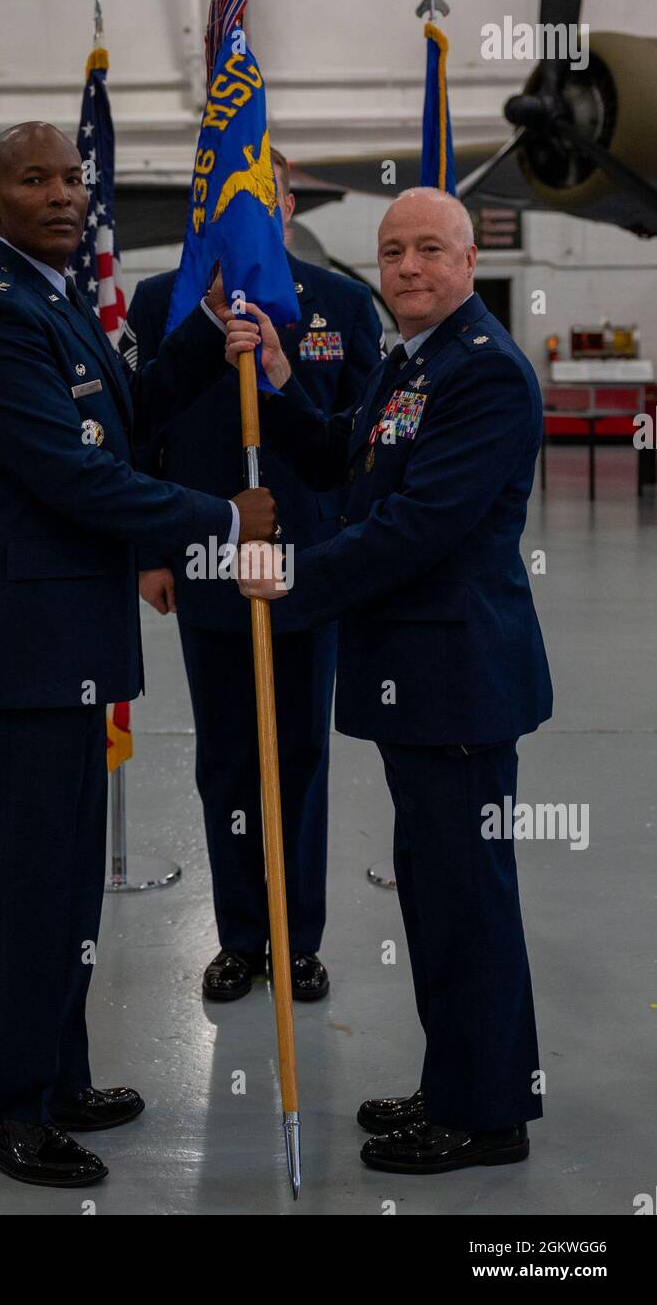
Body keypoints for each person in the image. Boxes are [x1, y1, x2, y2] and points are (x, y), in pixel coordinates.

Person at [0, 121, 277, 1189]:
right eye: (36, 180)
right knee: (30, 882)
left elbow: (112, 429)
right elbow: (74, 481)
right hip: (22, 645)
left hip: (70, 639)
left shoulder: (58, 298)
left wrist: (206, 338)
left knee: (68, 882)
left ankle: (56, 1078)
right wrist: (221, 514)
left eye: (74, 178)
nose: (66, 196)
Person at [229, 187, 553, 1174]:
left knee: (467, 898)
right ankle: (456, 1080)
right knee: (438, 889)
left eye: (428, 250)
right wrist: (283, 380)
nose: (407, 268)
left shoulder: (486, 375)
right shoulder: (417, 361)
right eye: (392, 252)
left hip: (458, 672)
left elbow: (419, 526)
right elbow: (349, 464)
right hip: (421, 674)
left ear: (466, 258)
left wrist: (292, 579)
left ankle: (486, 1114)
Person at [121, 148, 382, 1003]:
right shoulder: (163, 304)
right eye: (221, 203)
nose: (238, 219)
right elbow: (140, 438)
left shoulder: (341, 303)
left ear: (287, 203)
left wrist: (347, 554)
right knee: (228, 758)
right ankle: (239, 934)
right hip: (205, 562)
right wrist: (152, 553)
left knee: (300, 755)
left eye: (255, 200)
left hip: (309, 569)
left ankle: (295, 937)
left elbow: (362, 444)